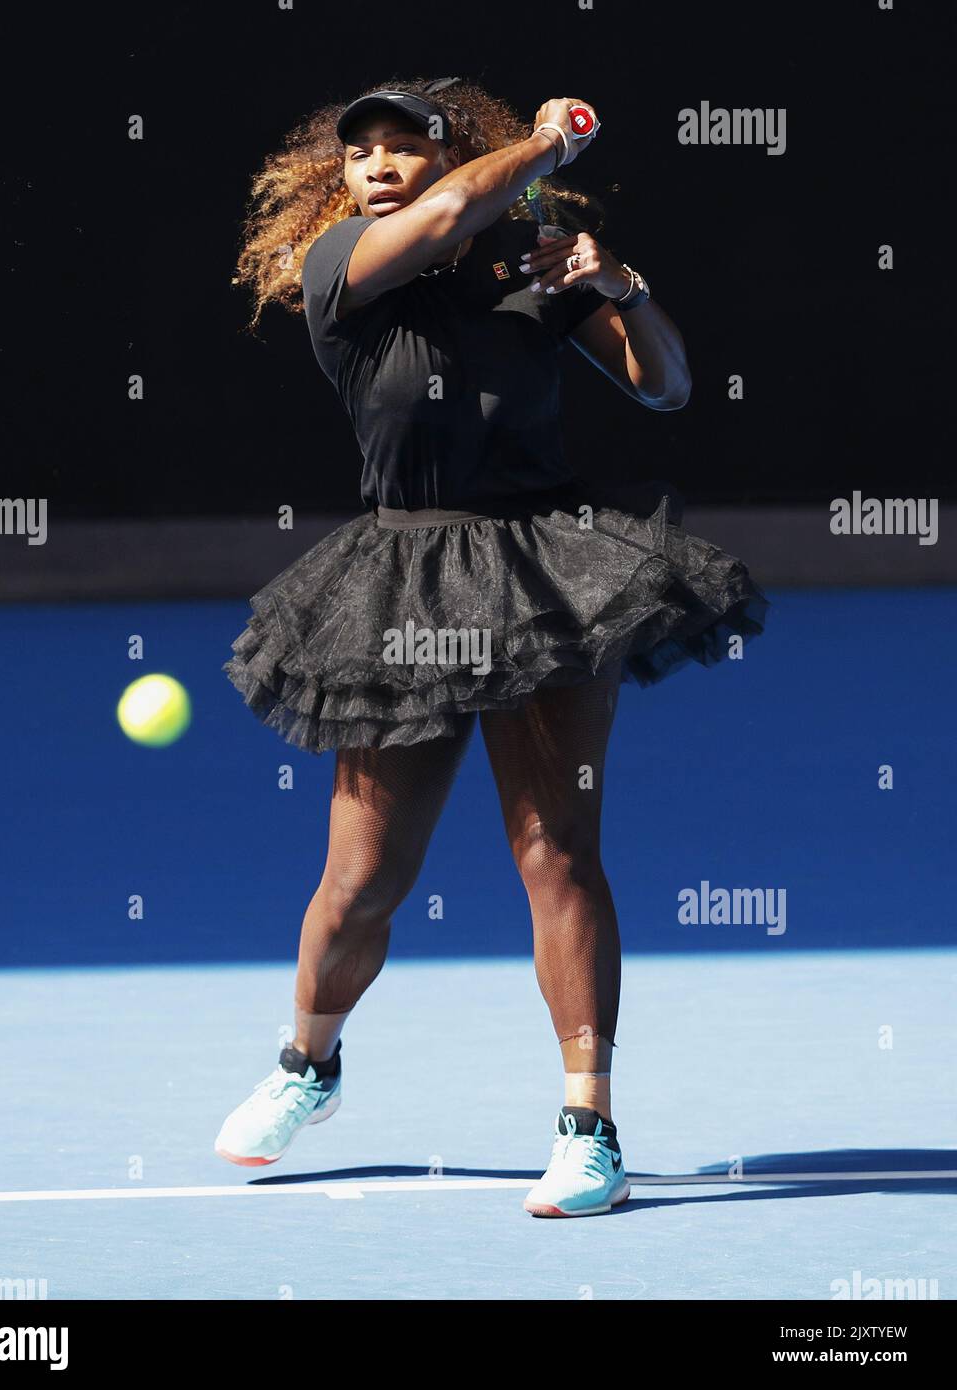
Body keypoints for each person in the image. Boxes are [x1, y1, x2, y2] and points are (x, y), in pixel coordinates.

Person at [215, 77, 768, 1217]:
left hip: (548, 574)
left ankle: (587, 1127)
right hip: (399, 581)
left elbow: (663, 386)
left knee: (556, 855)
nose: (375, 162)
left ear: (440, 150)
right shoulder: (341, 263)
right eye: (356, 148)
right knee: (363, 880)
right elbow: (440, 221)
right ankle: (306, 1066)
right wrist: (538, 144)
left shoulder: (526, 264)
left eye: (401, 144)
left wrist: (614, 283)